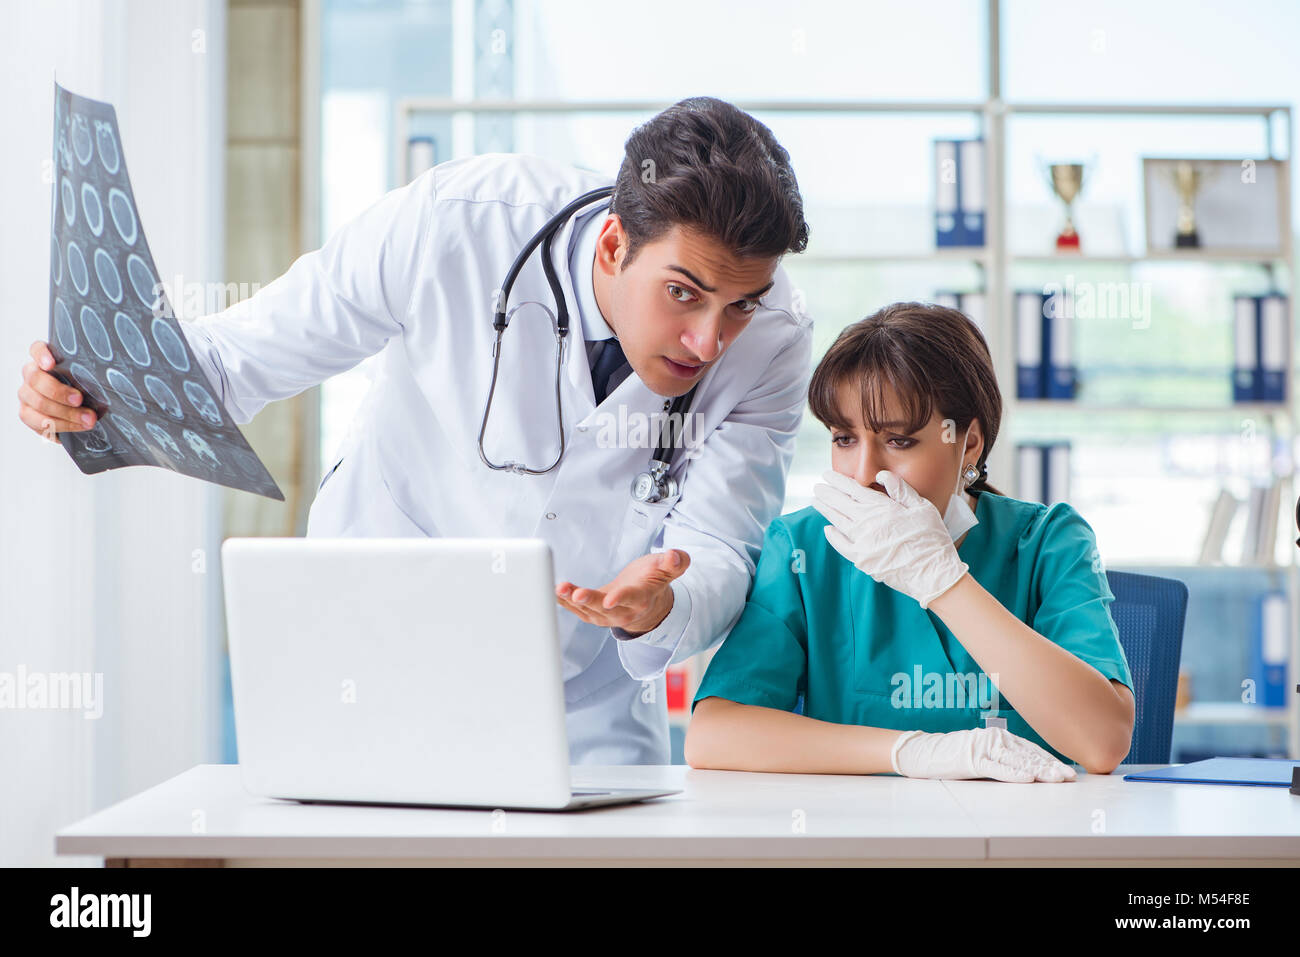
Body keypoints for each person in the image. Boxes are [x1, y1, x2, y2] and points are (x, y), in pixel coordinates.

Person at [18, 97, 814, 765]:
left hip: (585, 705)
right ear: (613, 243)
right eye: (685, 293)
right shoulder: (456, 225)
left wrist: (663, 601)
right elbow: (234, 361)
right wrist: (96, 385)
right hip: (372, 645)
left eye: (740, 303)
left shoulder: (774, 342)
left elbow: (719, 548)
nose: (710, 342)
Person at [686, 301, 1135, 781]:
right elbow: (713, 734)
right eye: (844, 438)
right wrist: (911, 752)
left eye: (898, 441)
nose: (863, 475)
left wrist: (944, 583)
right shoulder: (803, 549)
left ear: (971, 443)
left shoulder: (1047, 543)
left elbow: (1102, 743)